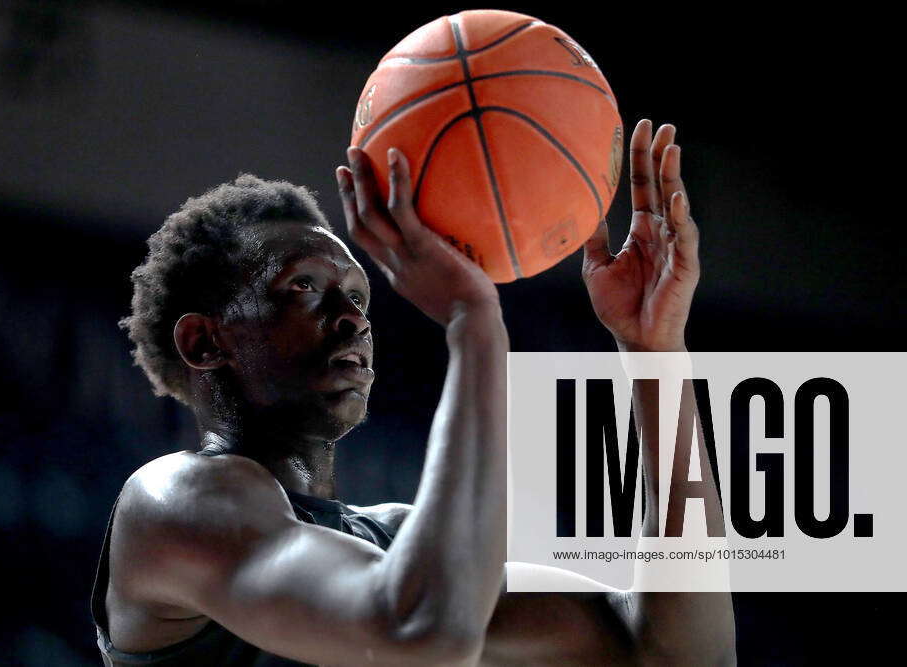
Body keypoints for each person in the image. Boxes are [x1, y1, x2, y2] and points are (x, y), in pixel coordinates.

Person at [90, 119, 736, 665]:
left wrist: (655, 353)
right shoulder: (173, 503)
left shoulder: (396, 542)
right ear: (204, 341)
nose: (352, 318)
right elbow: (423, 632)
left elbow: (676, 654)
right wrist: (473, 320)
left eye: (358, 296)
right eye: (303, 286)